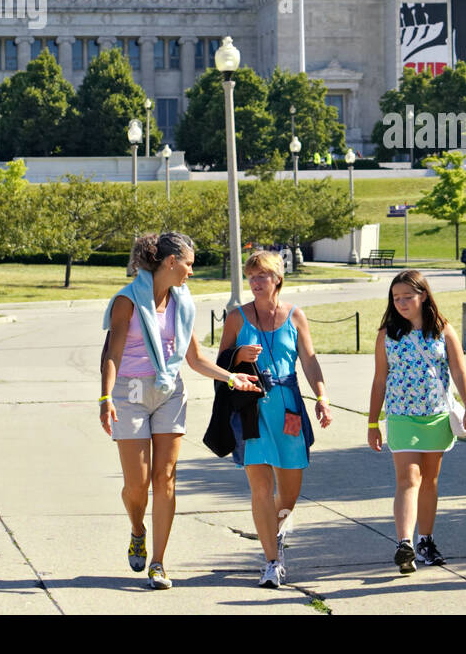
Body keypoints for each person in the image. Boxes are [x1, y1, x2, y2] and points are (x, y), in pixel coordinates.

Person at [99, 232, 261, 589]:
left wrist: (231, 377)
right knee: (137, 485)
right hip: (130, 391)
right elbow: (112, 353)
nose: (191, 271)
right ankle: (137, 528)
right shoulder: (127, 302)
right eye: (188, 263)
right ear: (171, 263)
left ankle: (158, 562)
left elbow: (196, 358)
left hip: (169, 391)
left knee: (166, 477)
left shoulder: (183, 303)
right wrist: (105, 397)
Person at [215, 250, 332, 589]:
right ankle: (271, 561)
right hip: (250, 410)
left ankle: (276, 529)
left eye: (262, 276)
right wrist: (238, 355)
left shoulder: (295, 316)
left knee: (290, 493)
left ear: (277, 278)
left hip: (289, 407)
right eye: (251, 276)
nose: (255, 282)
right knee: (261, 489)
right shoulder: (237, 318)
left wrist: (322, 398)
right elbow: (220, 363)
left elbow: (309, 361)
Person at [367, 270, 466, 574]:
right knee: (408, 478)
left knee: (429, 480)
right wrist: (373, 423)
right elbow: (380, 380)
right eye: (396, 298)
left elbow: (459, 371)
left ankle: (425, 541)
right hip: (401, 415)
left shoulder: (443, 330)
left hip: (436, 415)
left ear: (424, 295)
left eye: (407, 297)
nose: (401, 303)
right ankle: (404, 544)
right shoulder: (388, 334)